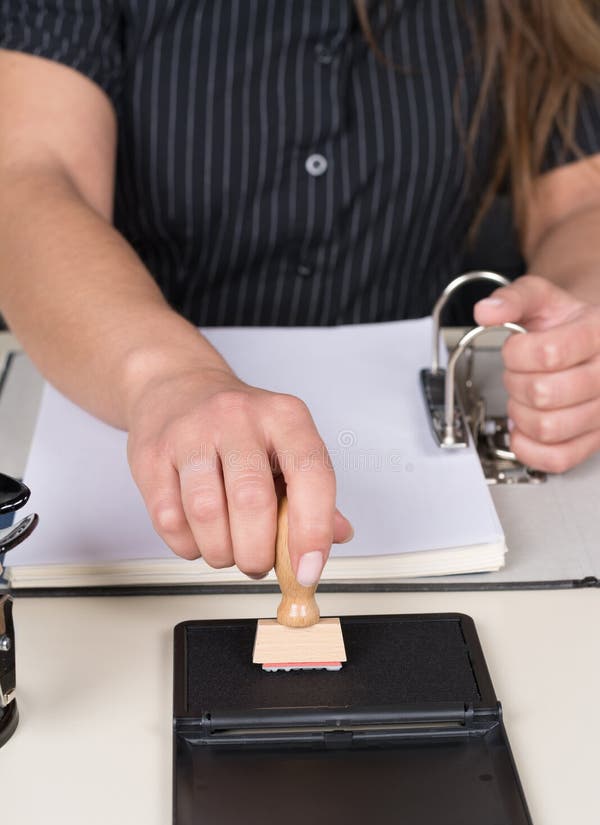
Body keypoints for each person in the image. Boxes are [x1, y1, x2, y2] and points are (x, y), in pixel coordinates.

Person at [0, 1, 599, 585]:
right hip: (121, 382)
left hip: (444, 463)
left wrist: (578, 319)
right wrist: (168, 380)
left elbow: (579, 203)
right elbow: (31, 177)